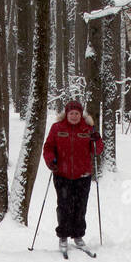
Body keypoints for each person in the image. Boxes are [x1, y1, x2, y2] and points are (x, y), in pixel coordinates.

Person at [42, 99, 103, 251]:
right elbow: (48, 147)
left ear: (81, 114)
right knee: (64, 205)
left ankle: (78, 235)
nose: (74, 116)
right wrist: (51, 161)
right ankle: (63, 235)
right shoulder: (57, 128)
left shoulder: (88, 129)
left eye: (77, 113)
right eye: (71, 113)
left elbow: (97, 150)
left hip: (83, 174)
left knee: (80, 206)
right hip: (62, 174)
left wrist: (97, 140)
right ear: (66, 114)